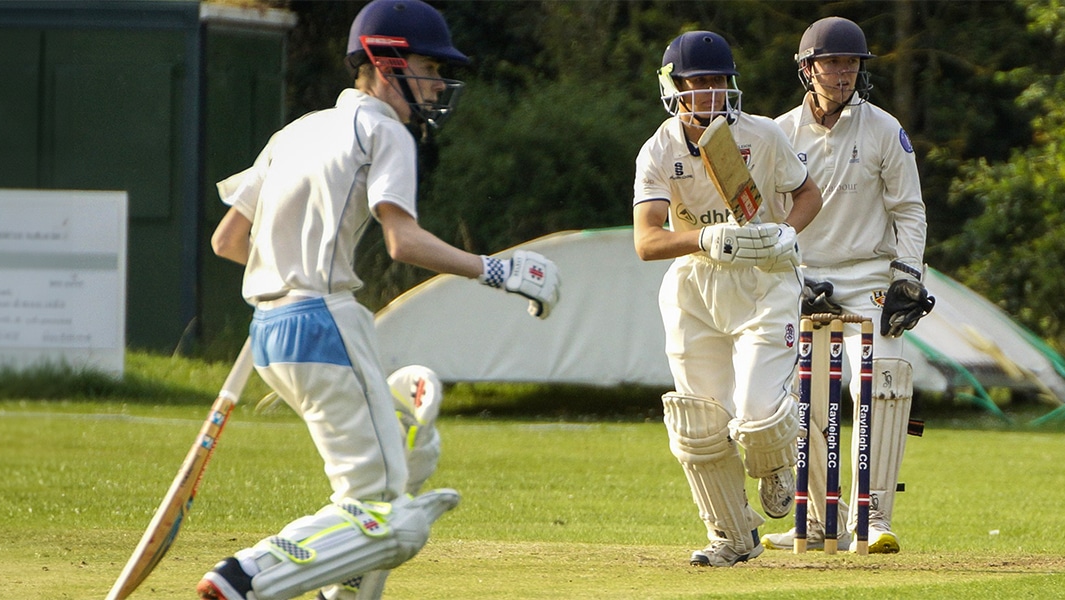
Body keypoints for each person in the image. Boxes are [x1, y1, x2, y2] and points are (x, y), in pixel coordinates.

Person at [195, 1, 560, 599]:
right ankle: (248, 576)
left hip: (270, 331)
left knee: (392, 480)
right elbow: (402, 241)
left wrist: (287, 273)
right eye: (430, 68)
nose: (438, 84)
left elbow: (228, 241)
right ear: (387, 62)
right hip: (324, 321)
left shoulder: (296, 131)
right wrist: (496, 270)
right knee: (389, 518)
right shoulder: (385, 130)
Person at [632, 30, 823, 567]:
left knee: (757, 416)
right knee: (701, 424)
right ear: (674, 87)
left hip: (764, 278)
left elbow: (808, 194)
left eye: (718, 81)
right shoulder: (659, 149)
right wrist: (704, 238)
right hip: (695, 286)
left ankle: (775, 461)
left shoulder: (761, 134)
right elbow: (646, 241)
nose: (711, 92)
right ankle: (733, 537)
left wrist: (786, 231)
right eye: (699, 82)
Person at [762, 16, 934, 555]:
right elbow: (769, 217)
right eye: (833, 63)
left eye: (852, 63)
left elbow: (909, 211)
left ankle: (873, 517)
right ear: (807, 69)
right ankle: (819, 521)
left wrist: (907, 278)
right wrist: (791, 276)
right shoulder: (778, 133)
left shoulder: (883, 129)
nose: (844, 73)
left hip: (871, 282)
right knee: (804, 399)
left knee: (883, 382)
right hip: (805, 282)